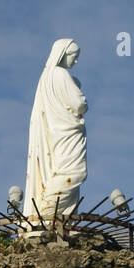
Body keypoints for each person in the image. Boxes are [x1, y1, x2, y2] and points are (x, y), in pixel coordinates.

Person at [24, 38, 87, 233]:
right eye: (73, 57)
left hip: (56, 132)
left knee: (60, 171)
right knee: (73, 172)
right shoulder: (60, 74)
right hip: (66, 132)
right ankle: (45, 214)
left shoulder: (46, 78)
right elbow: (79, 104)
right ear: (62, 54)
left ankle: (61, 220)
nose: (75, 62)